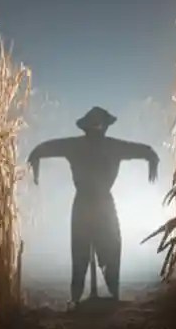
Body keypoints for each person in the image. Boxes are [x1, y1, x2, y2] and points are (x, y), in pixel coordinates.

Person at [27, 107, 159, 303]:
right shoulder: (78, 146)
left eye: (100, 125)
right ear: (87, 128)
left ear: (105, 127)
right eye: (94, 125)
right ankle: (78, 297)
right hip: (86, 203)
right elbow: (44, 149)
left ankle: (110, 293)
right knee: (81, 250)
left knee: (111, 246)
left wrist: (152, 158)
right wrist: (35, 160)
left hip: (101, 203)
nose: (97, 129)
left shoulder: (111, 147)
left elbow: (142, 150)